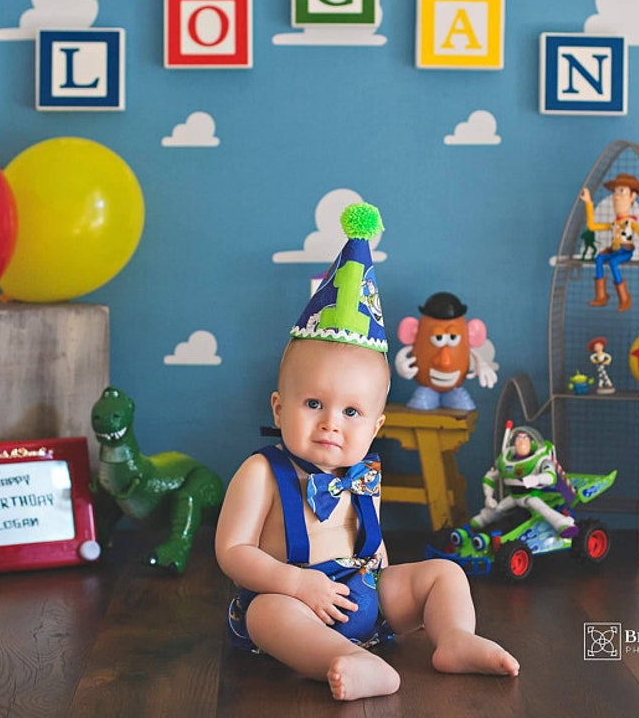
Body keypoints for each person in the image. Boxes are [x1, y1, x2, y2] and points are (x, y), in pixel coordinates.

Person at [215, 203, 519, 702]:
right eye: (313, 403)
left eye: (351, 412)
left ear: (376, 426)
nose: (331, 422)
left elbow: (369, 542)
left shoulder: (365, 472)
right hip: (293, 598)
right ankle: (342, 659)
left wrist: (381, 577)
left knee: (444, 573)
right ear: (279, 407)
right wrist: (296, 585)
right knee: (266, 615)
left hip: (362, 591)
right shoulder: (260, 472)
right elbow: (232, 552)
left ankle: (454, 639)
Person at [471, 424, 578, 539]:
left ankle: (563, 524)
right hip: (514, 497)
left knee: (543, 510)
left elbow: (551, 477)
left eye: (525, 438)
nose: (521, 442)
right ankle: (482, 519)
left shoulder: (541, 459)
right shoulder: (505, 460)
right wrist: (488, 496)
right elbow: (490, 477)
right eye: (518, 438)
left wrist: (537, 479)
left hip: (531, 496)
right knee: (498, 508)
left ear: (531, 443)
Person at [580, 173, 639, 311]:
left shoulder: (631, 223)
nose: (616, 196)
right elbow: (592, 226)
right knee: (599, 258)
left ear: (632, 196)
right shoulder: (614, 223)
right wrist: (589, 203)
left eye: (622, 191)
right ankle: (601, 295)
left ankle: (624, 298)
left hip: (625, 251)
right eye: (615, 192)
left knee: (613, 263)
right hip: (614, 250)